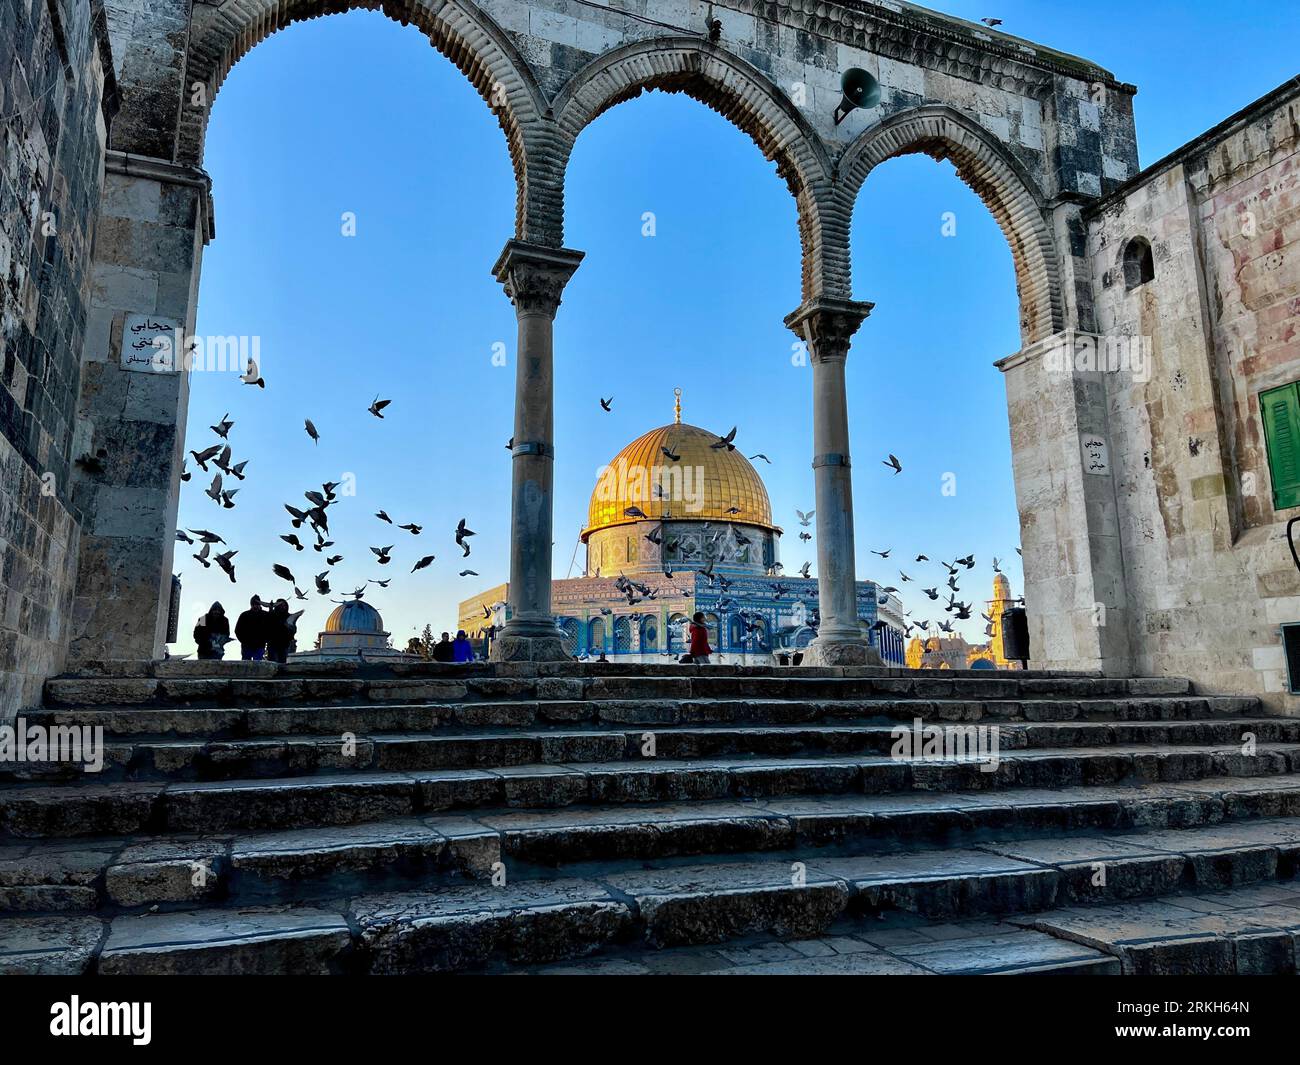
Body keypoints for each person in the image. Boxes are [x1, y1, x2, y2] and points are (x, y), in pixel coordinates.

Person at [235, 596, 268, 661]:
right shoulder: (244, 615)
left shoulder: (266, 615)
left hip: (260, 645)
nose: (255, 606)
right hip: (247, 646)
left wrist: (265, 640)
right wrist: (243, 641)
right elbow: (237, 630)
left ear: (260, 604)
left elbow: (270, 628)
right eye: (253, 604)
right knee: (245, 665)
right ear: (251, 605)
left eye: (257, 604)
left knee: (258, 665)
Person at [264, 599, 293, 664]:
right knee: (272, 663)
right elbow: (266, 625)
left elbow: (293, 629)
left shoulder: (289, 616)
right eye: (281, 605)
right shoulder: (272, 614)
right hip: (272, 644)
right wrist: (270, 610)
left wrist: (289, 629)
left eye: (284, 605)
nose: (283, 607)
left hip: (284, 644)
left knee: (282, 664)